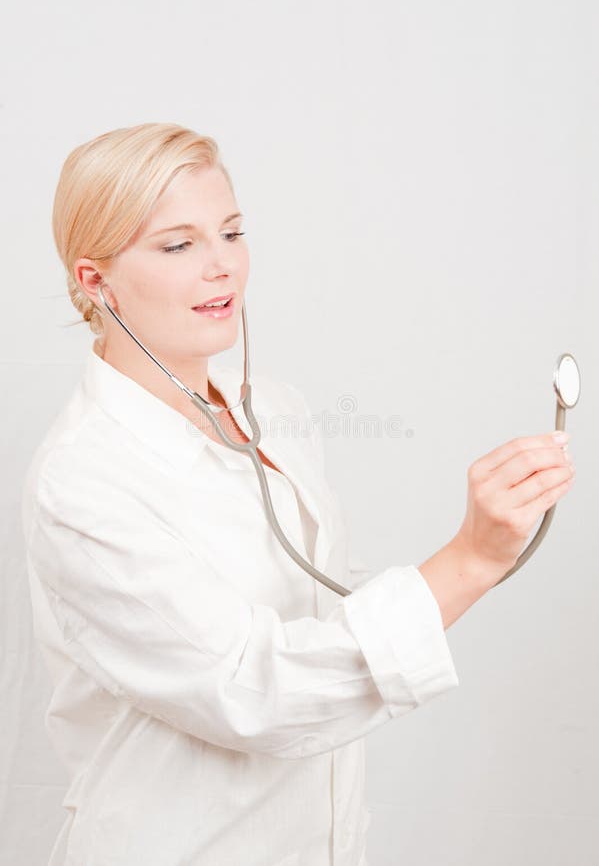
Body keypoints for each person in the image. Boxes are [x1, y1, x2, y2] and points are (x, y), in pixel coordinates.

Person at [20, 122, 576, 866]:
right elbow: (257, 690)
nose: (222, 267)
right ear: (95, 281)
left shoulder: (271, 409)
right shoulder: (84, 481)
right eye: (178, 245)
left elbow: (310, 608)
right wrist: (467, 561)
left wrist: (490, 538)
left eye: (231, 231)